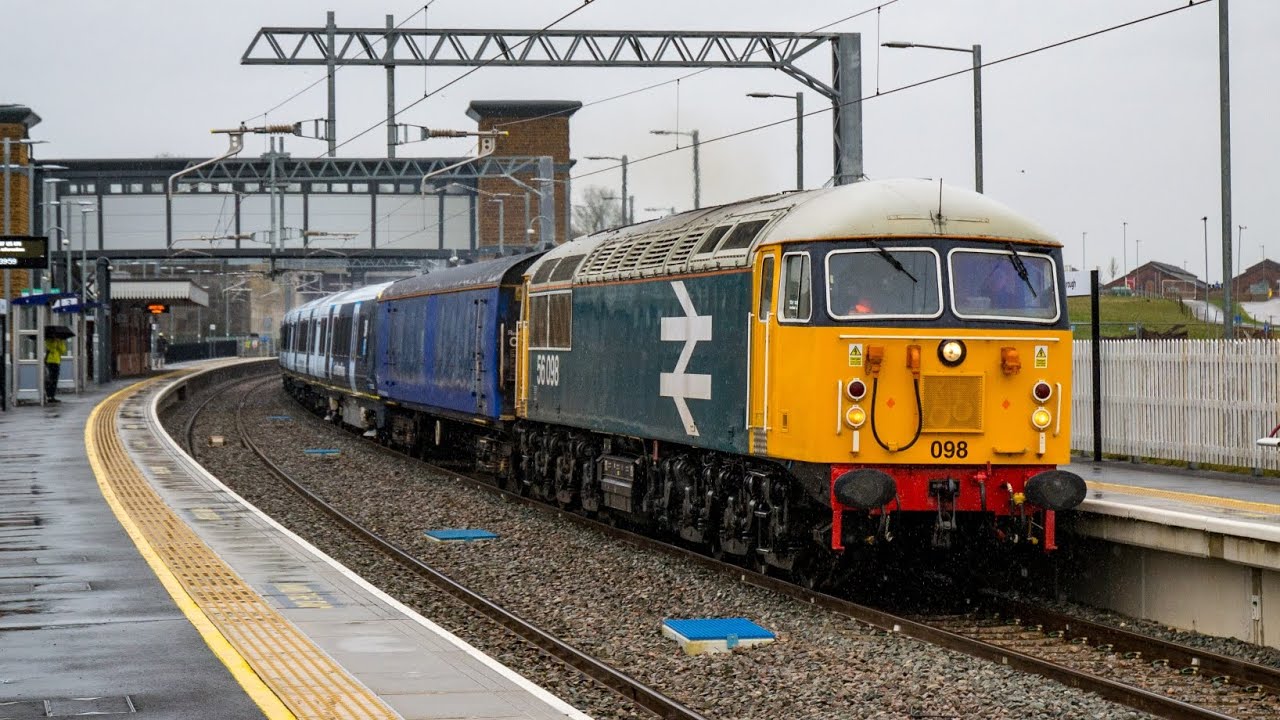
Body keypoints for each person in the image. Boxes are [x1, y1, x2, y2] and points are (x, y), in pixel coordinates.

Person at [44, 334, 67, 403]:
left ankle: (52, 396)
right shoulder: (48, 340)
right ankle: (49, 395)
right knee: (51, 379)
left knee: (55, 379)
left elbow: (63, 350)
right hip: (50, 361)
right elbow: (52, 348)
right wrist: (54, 341)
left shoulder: (60, 341)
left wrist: (59, 342)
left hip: (57, 361)